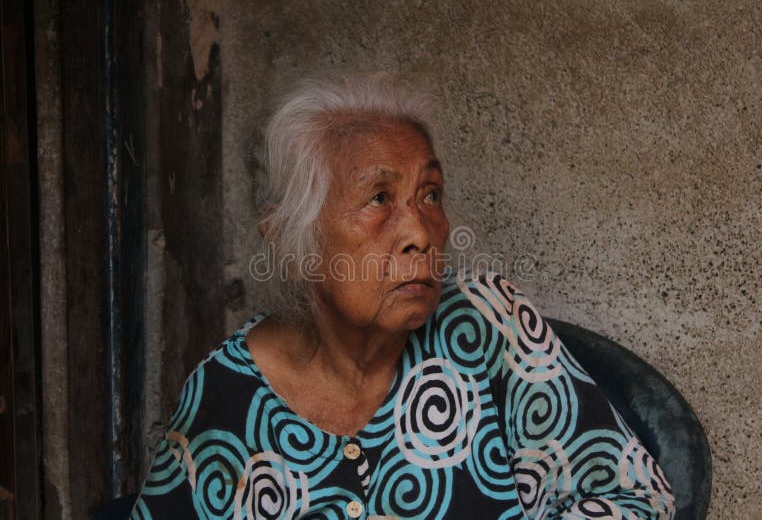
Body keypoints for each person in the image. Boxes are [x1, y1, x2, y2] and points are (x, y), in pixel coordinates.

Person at [131, 72, 675, 519]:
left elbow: (636, 500)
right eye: (379, 198)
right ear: (295, 243)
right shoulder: (225, 399)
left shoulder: (485, 323)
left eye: (429, 194)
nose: (419, 230)